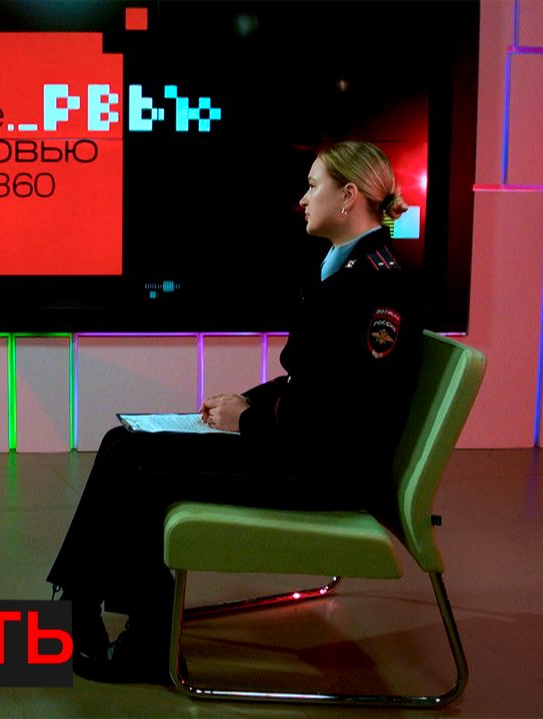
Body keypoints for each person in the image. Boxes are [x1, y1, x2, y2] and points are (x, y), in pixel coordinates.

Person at [47, 141, 424, 683]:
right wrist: (248, 401)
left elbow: (344, 415)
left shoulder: (378, 285)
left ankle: (149, 642)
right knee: (121, 442)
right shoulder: (344, 270)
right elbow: (309, 381)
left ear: (348, 196)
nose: (302, 199)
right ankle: (77, 603)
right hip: (302, 445)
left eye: (312, 186)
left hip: (326, 469)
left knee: (147, 469)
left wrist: (247, 421)